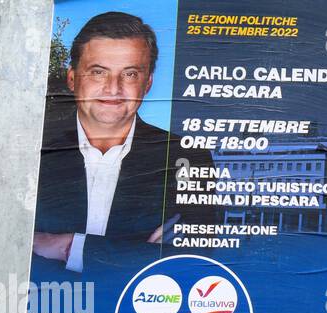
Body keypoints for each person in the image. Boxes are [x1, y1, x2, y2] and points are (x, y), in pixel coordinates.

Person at [31, 11, 213, 276]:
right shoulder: (31, 148)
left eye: (129, 74)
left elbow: (193, 259)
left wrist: (70, 247)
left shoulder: (185, 157)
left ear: (147, 83)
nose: (113, 88)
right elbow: (3, 240)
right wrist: (135, 252)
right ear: (72, 79)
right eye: (98, 72)